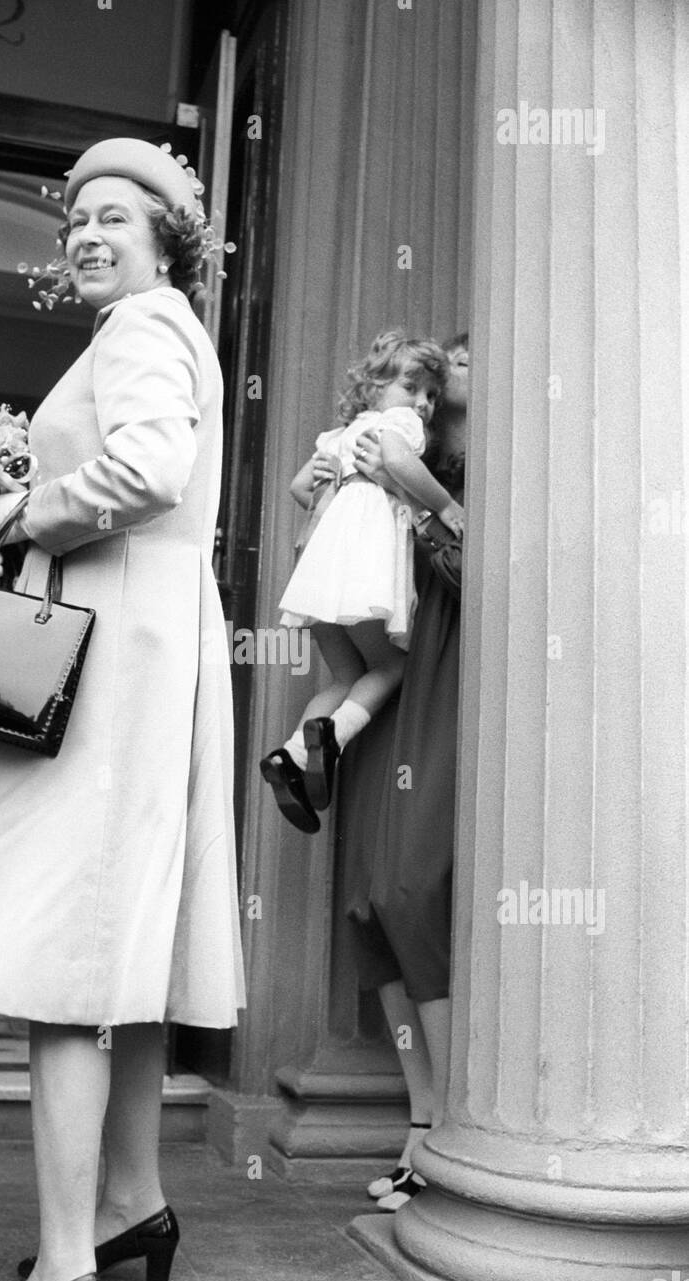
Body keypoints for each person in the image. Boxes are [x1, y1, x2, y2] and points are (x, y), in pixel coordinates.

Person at [0, 139, 246, 1281]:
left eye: (114, 218)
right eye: (75, 217)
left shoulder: (140, 329)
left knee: (58, 967)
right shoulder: (159, 329)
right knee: (113, 966)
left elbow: (147, 471)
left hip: (106, 677)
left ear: (164, 240)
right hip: (140, 657)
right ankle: (132, 1207)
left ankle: (71, 1262)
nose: (85, 233)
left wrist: (15, 512)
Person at [347, 333, 468, 1210]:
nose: (455, 368)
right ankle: (421, 1119)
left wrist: (417, 491)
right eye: (447, 358)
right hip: (387, 673)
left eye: (468, 357)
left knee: (412, 889)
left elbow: (490, 571)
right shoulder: (400, 437)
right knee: (363, 905)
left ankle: (455, 1126)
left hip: (454, 680)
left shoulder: (498, 461)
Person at [260, 332, 463, 834]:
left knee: (346, 676)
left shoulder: (340, 435)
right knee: (391, 665)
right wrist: (446, 506)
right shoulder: (400, 426)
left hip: (320, 573)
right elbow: (396, 462)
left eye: (431, 396)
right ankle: (332, 737)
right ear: (375, 388)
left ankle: (290, 757)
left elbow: (299, 486)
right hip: (363, 568)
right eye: (412, 387)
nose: (422, 403)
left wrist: (341, 487)